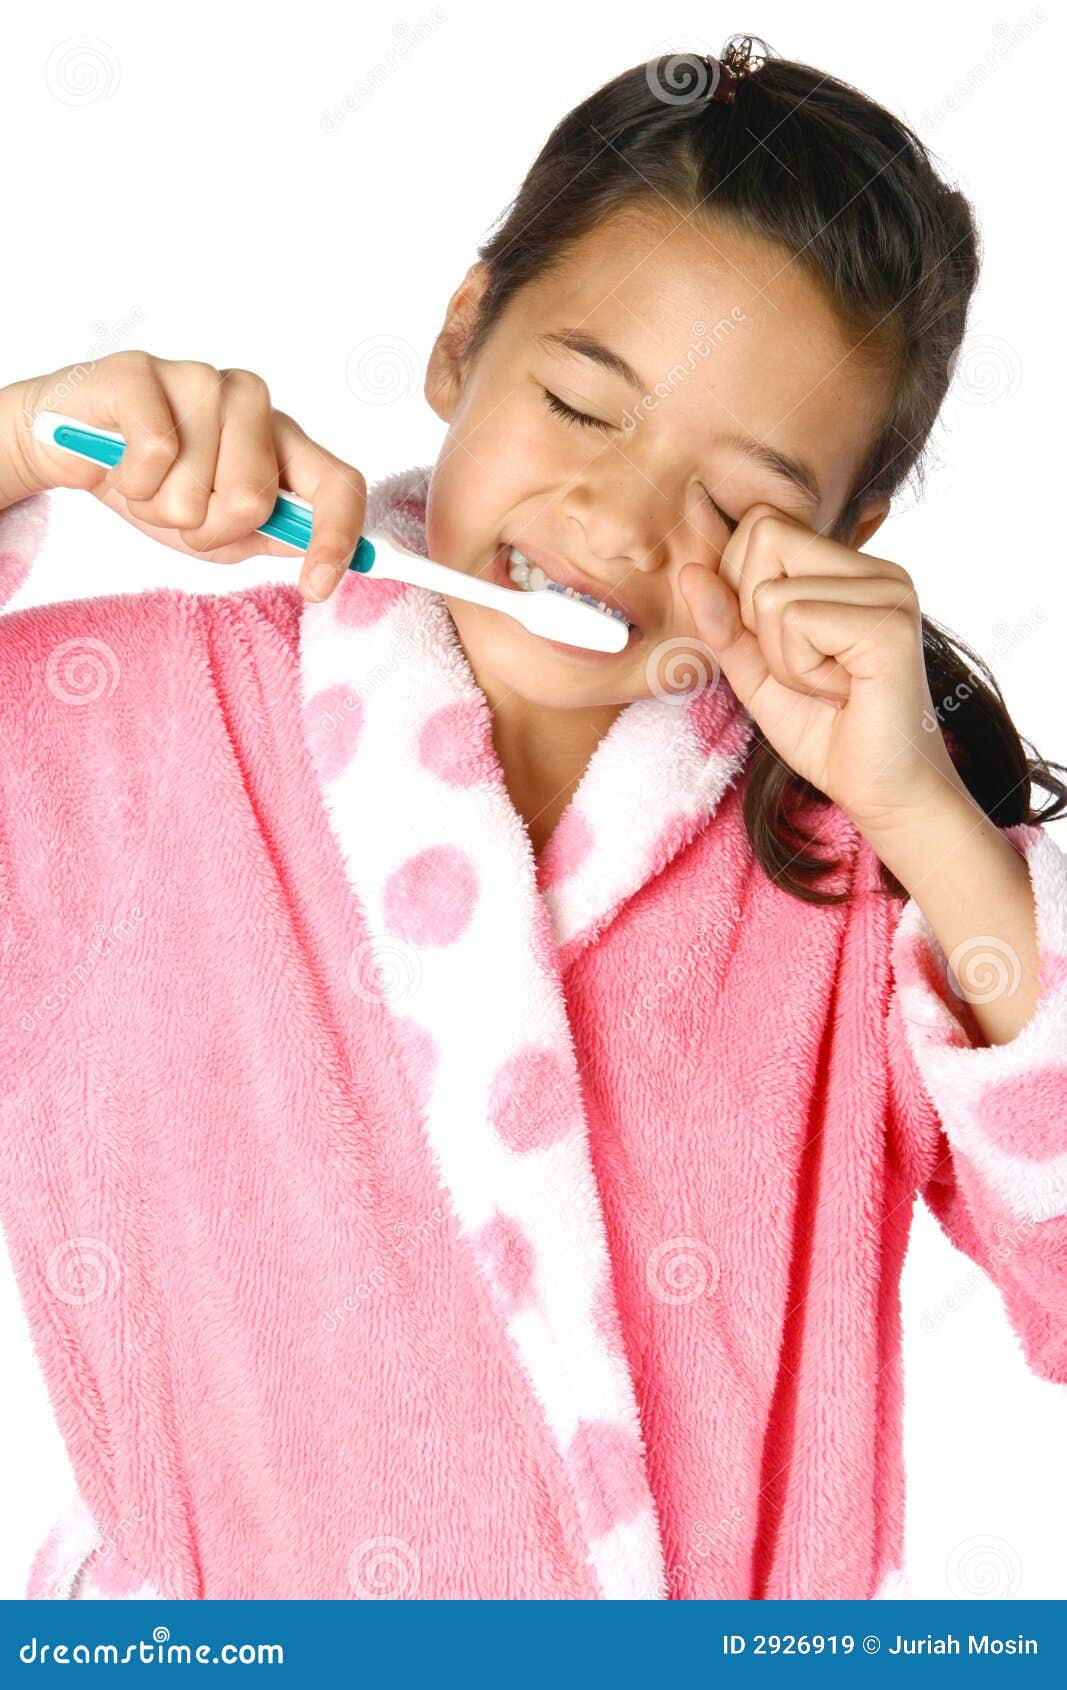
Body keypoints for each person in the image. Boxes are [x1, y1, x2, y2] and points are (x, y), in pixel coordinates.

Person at [2, 41, 1065, 1601]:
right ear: (459, 337)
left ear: (843, 542)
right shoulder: (122, 728)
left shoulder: (857, 889)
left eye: (737, 500)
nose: (623, 525)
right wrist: (27, 433)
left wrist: (933, 820)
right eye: (580, 404)